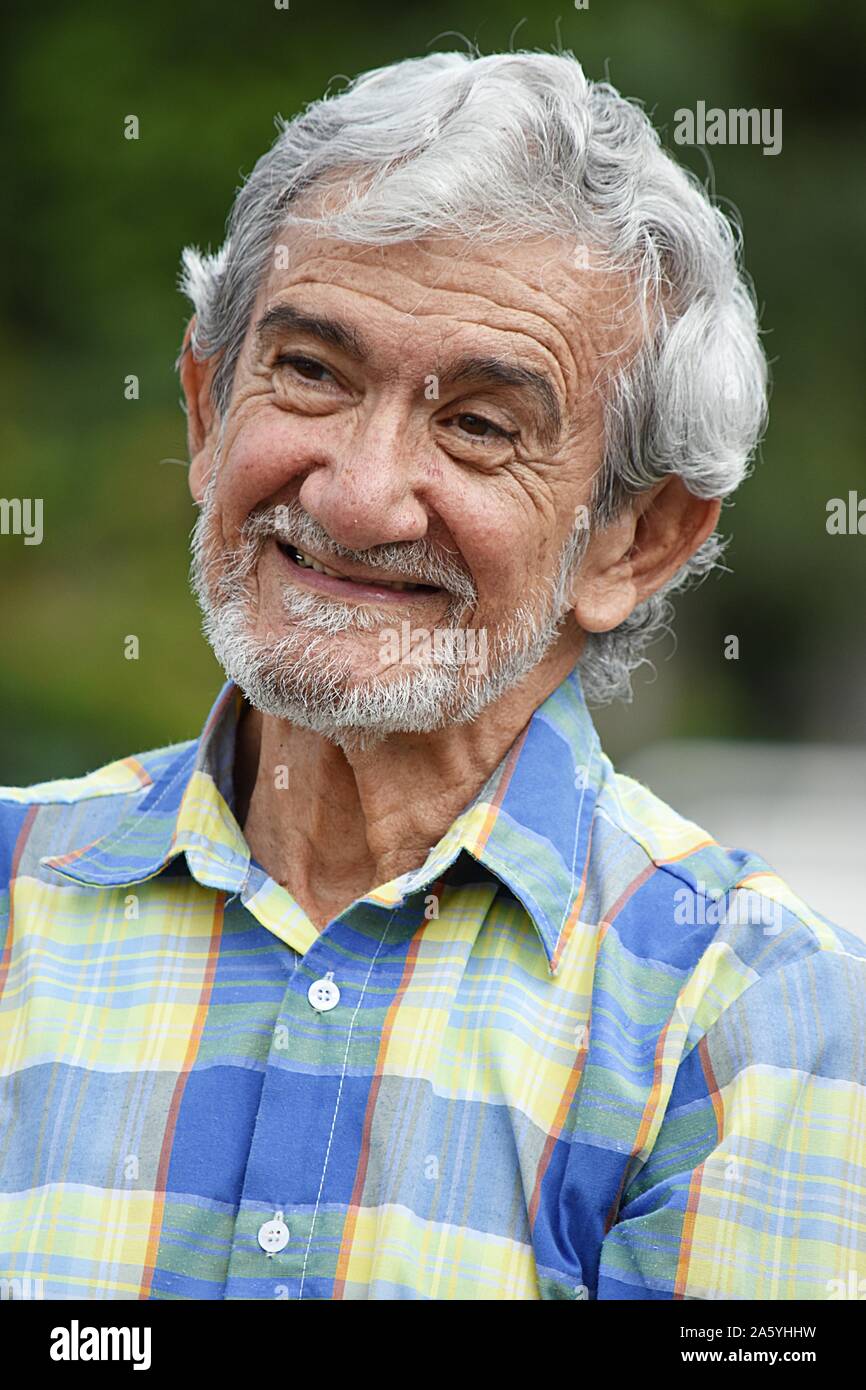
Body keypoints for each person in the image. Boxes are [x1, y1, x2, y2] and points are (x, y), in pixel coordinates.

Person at [2, 49, 864, 1301]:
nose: (355, 493)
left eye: (478, 423)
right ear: (203, 409)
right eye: (309, 371)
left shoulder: (749, 1018)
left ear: (635, 539)